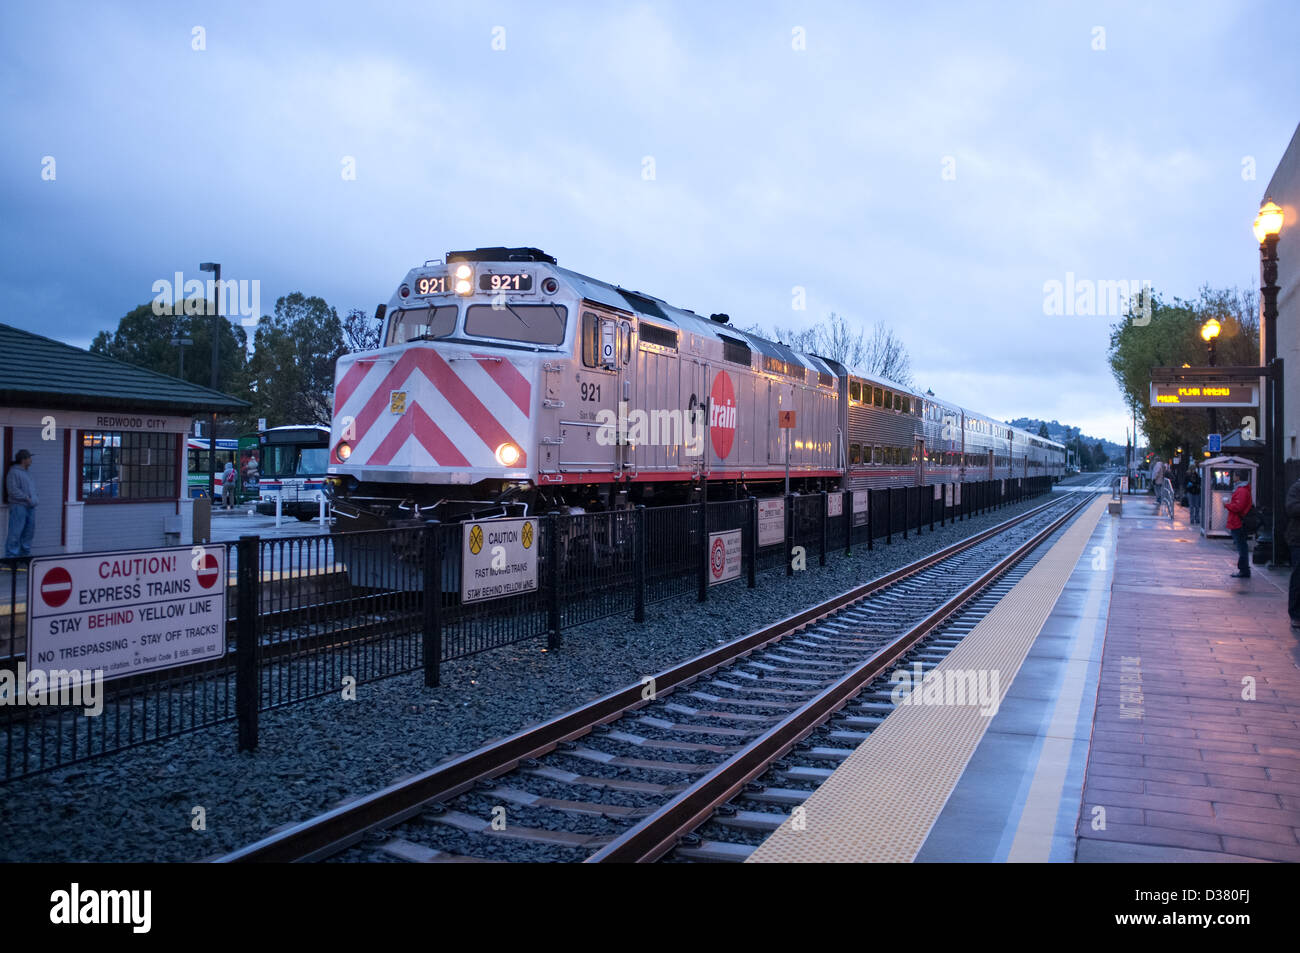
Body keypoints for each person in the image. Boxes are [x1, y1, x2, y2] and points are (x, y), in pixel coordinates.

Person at [5, 449, 38, 558]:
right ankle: (11, 558)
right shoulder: (13, 472)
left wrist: (34, 499)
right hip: (18, 506)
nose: (31, 460)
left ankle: (24, 557)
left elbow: (31, 489)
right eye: (29, 458)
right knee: (15, 532)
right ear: (23, 460)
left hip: (30, 507)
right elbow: (13, 490)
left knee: (29, 532)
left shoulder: (27, 473)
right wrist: (26, 498)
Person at [1224, 475, 1253, 579]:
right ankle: (1244, 569)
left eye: (1235, 475)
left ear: (1238, 477)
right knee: (1242, 546)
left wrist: (1227, 505)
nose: (1233, 478)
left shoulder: (1241, 491)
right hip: (1238, 521)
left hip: (1238, 522)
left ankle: (1244, 569)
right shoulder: (1242, 490)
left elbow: (1238, 507)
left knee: (1241, 547)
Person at [1287, 476, 1300, 629]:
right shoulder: (1296, 488)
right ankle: (1295, 614)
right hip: (1298, 540)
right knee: (1298, 577)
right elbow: (1291, 508)